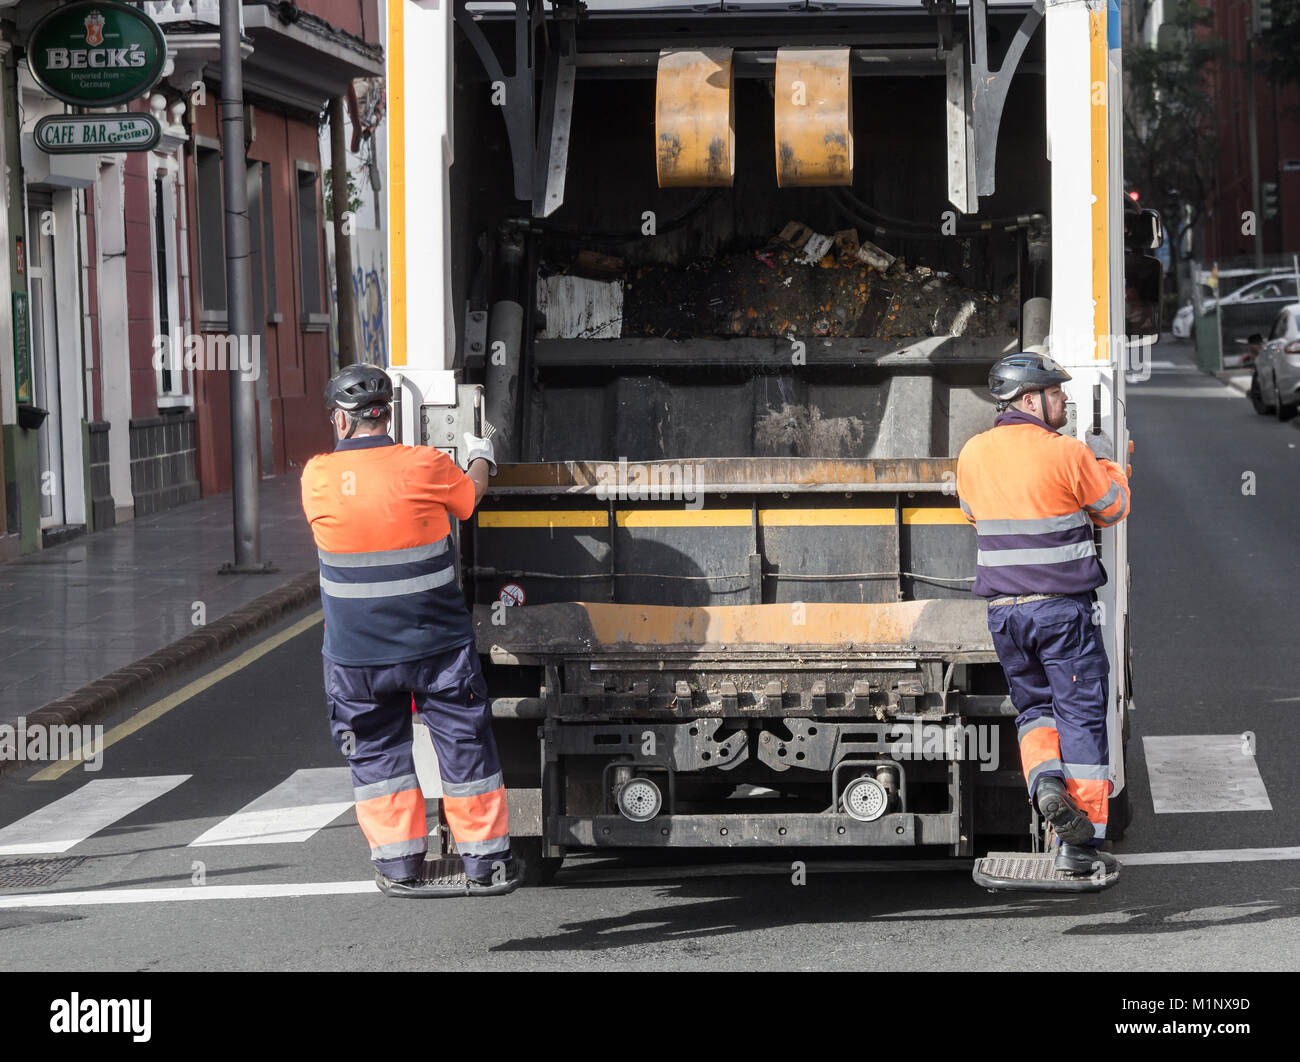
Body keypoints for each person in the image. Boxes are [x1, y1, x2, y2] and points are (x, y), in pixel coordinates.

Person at [301, 364, 523, 897]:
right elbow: (469, 501)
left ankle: (399, 868)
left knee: (377, 755)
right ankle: (486, 865)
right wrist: (480, 453)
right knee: (464, 744)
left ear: (341, 421)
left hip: (356, 657)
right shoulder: (426, 465)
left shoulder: (316, 477)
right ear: (388, 414)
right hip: (437, 647)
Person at [956, 353, 1130, 879]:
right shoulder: (1067, 452)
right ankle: (1081, 844)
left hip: (1006, 616)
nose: (1065, 400)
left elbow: (971, 513)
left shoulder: (972, 453)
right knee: (1080, 717)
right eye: (1056, 393)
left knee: (1034, 713)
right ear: (1029, 400)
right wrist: (1109, 460)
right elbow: (1114, 507)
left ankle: (1046, 786)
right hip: (1062, 614)